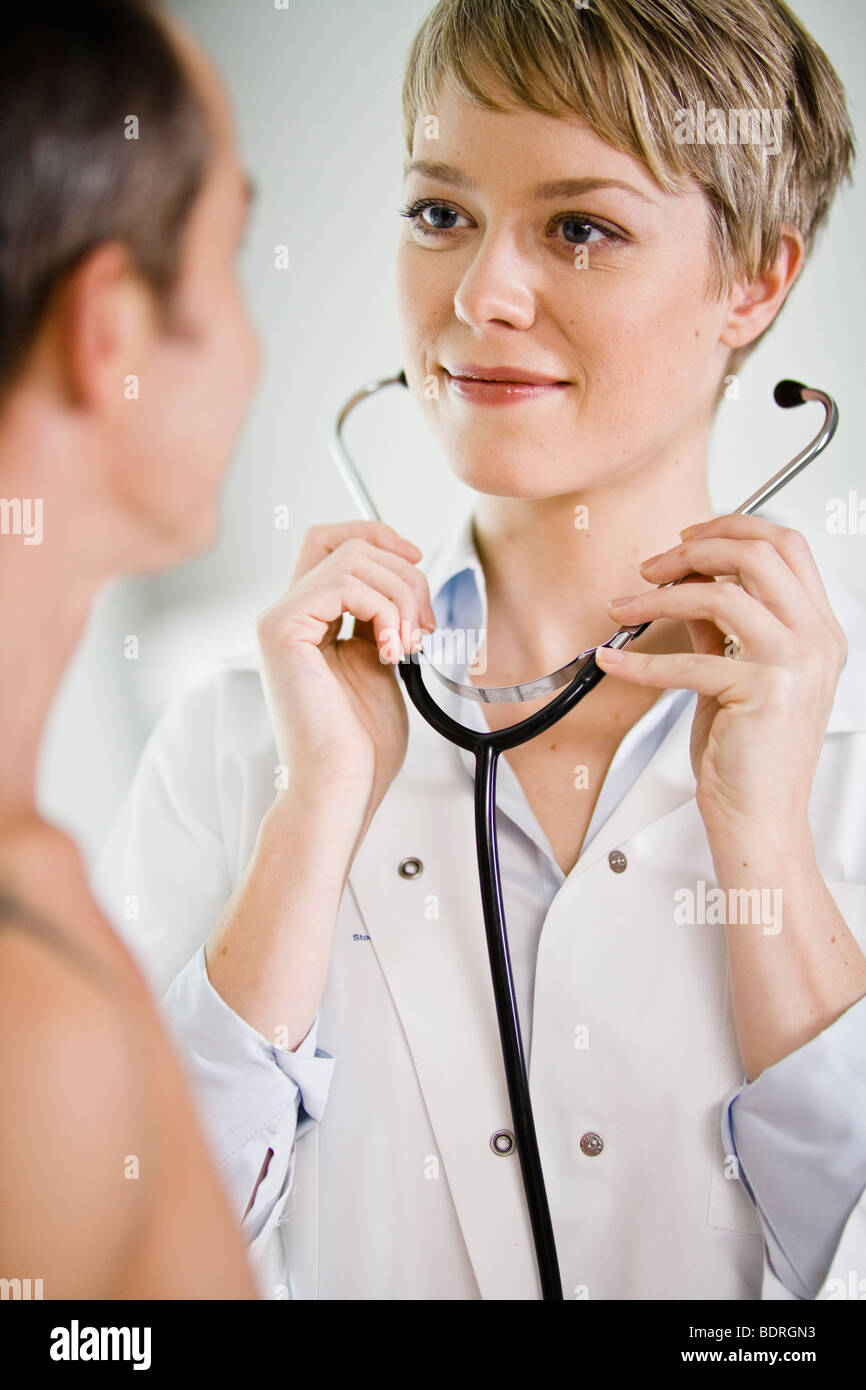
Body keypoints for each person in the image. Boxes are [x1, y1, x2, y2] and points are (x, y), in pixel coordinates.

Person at [94, 0, 866, 1300]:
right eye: (440, 212)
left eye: (580, 227)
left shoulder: (846, 765)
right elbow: (103, 1273)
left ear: (756, 281)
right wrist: (313, 817)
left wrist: (768, 851)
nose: (479, 294)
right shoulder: (232, 743)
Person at [0, 0, 265, 1297]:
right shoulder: (24, 1028)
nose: (255, 354)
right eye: (231, 256)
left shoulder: (43, 880)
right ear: (110, 332)